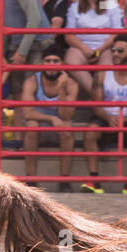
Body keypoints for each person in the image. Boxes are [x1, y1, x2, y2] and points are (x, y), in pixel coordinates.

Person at [82, 35, 127, 195]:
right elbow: (96, 105)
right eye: (113, 50)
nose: (115, 54)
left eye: (120, 51)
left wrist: (124, 120)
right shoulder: (102, 74)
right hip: (105, 118)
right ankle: (94, 180)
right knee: (90, 130)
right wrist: (109, 118)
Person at [17, 45, 78, 189]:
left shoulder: (70, 84)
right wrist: (51, 118)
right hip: (40, 125)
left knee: (67, 128)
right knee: (31, 126)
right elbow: (27, 113)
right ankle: (31, 180)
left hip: (60, 126)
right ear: (42, 64)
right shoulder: (32, 81)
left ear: (62, 64)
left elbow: (67, 115)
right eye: (48, 61)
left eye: (55, 61)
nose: (51, 64)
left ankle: (64, 180)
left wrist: (61, 88)